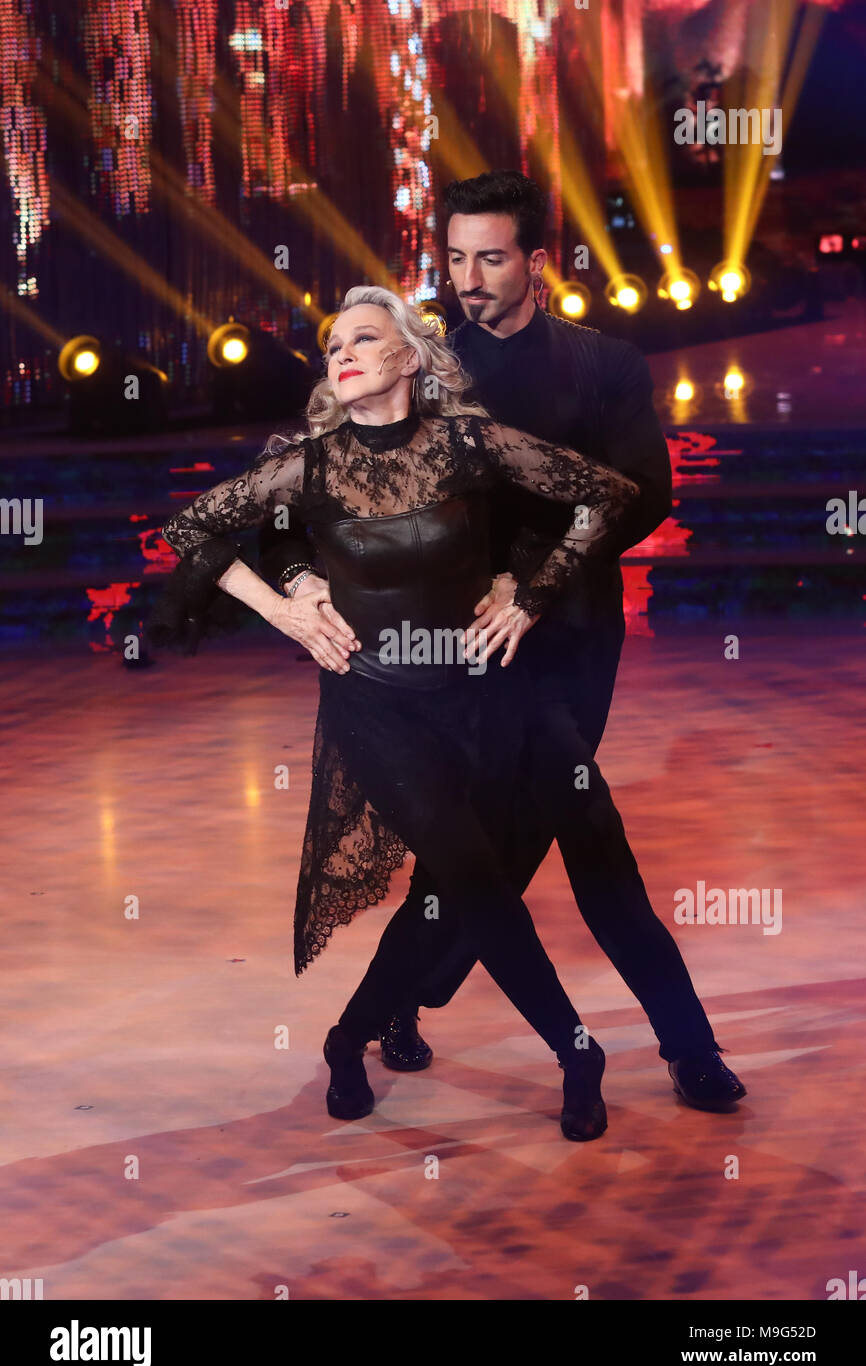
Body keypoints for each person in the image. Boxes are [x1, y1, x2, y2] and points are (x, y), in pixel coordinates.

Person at [258, 172, 747, 1113]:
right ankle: (680, 1045)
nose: (468, 277)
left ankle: (665, 1045)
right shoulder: (422, 364)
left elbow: (645, 495)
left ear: (537, 262)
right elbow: (298, 490)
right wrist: (299, 579)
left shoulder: (604, 365)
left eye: (490, 257)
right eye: (453, 257)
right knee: (489, 858)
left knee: (562, 846)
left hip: (566, 648)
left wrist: (536, 584)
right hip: (454, 660)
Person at [148, 285, 643, 1142]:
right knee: (480, 884)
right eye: (334, 341)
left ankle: (347, 1040)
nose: (341, 351)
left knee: (446, 898)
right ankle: (576, 1051)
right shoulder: (308, 464)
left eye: (365, 338)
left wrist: (531, 594)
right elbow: (189, 527)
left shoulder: (470, 443)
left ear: (409, 358)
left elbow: (608, 494)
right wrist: (288, 611)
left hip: (479, 695)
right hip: (374, 703)